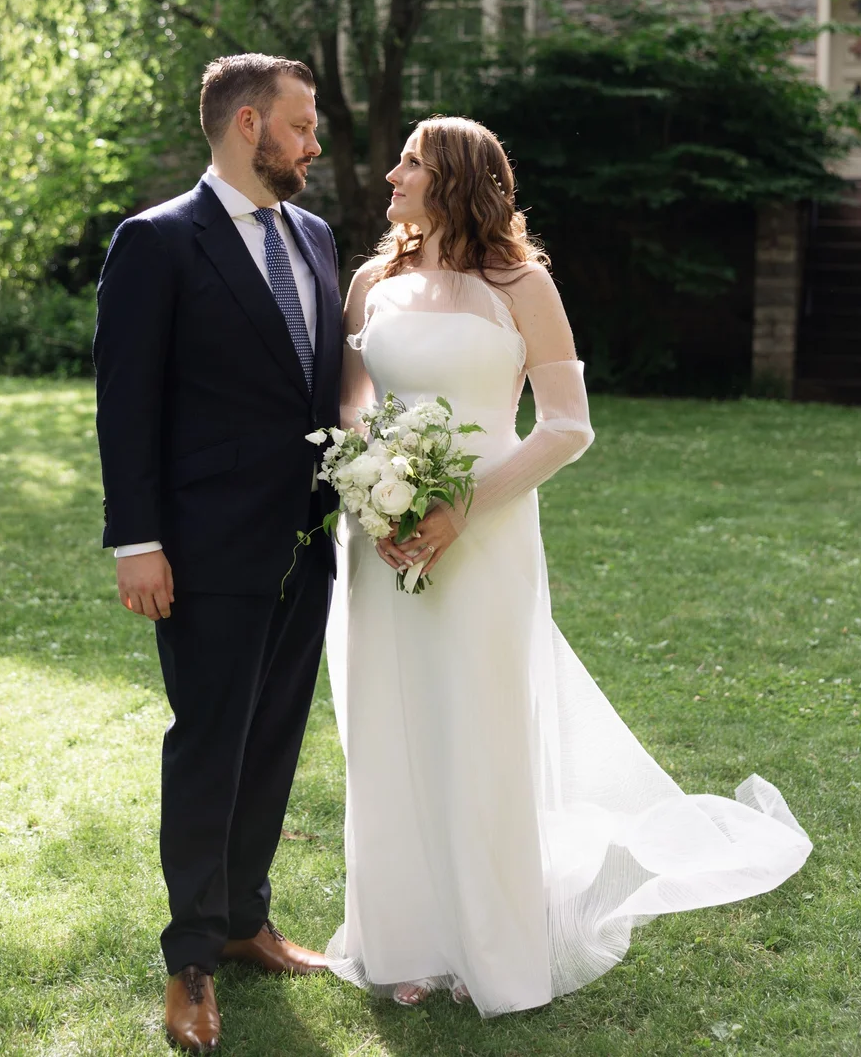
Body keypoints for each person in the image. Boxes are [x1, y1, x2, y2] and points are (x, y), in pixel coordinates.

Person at [325, 115, 812, 1017]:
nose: (391, 175)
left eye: (410, 162)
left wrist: (458, 508)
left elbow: (565, 426)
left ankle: (490, 945)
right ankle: (403, 939)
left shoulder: (523, 284)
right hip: (380, 535)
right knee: (388, 725)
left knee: (479, 725)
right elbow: (352, 405)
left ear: (455, 178)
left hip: (486, 529)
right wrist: (374, 495)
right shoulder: (371, 282)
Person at [93, 54, 342, 1053]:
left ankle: (244, 920)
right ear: (249, 125)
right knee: (209, 746)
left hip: (307, 542)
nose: (313, 143)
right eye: (301, 125)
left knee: (273, 738)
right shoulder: (158, 241)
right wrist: (137, 541)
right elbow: (126, 401)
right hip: (202, 549)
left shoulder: (316, 237)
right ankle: (191, 957)